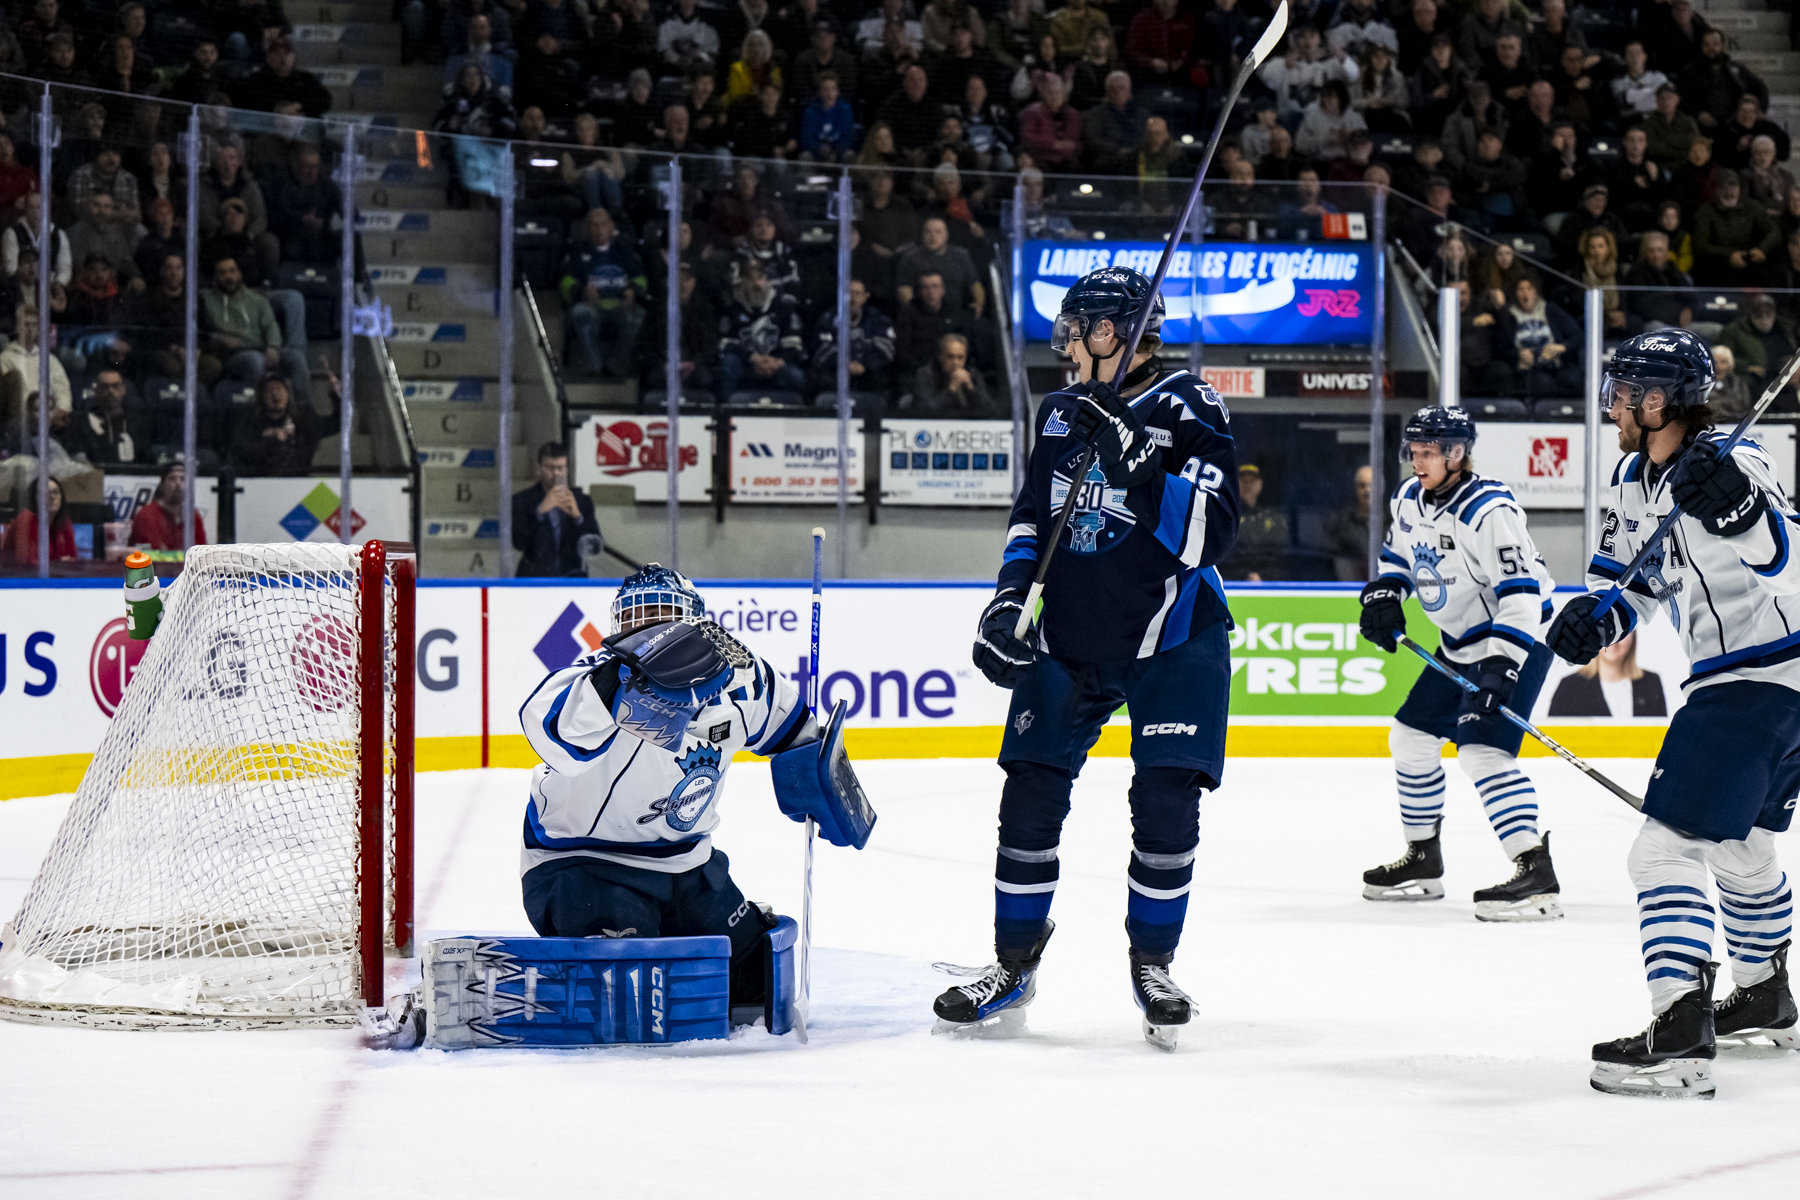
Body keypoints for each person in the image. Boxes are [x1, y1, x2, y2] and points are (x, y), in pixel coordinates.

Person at [941, 267, 1240, 1049]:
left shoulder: (1190, 405)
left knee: (1166, 802)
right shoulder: (1059, 411)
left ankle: (1153, 966)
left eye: (1076, 329)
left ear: (1111, 333)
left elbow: (1213, 535)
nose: (1066, 343)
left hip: (1173, 636)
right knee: (1029, 796)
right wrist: (1007, 603)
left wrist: (1140, 463)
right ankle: (1013, 963)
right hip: (1071, 636)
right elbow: (1032, 518)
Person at [1546, 329, 1800, 1098]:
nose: (1612, 407)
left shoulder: (1735, 463)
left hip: (1754, 683)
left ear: (1657, 401)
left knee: (1662, 853)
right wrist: (1596, 620)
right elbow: (1634, 583)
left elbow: (1790, 567)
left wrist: (1742, 515)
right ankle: (1763, 993)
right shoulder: (1634, 478)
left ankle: (1681, 1033)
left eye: (1622, 393)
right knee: (1741, 843)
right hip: (1775, 690)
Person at [515, 565, 845, 1018]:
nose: (652, 628)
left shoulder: (741, 678)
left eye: (663, 615)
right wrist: (620, 689)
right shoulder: (594, 678)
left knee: (756, 982)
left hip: (689, 866)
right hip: (582, 866)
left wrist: (819, 776)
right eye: (639, 617)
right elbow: (548, 726)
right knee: (631, 999)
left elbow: (792, 730)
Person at [1357, 407, 1561, 919]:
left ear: (1456, 453)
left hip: (1516, 640)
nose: (1417, 461)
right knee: (1410, 738)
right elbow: (1399, 561)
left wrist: (1501, 666)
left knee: (1483, 753)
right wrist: (1386, 593)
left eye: (1428, 452)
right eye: (1414, 451)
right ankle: (1424, 857)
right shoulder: (1408, 498)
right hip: (1460, 644)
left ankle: (1535, 868)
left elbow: (1521, 596)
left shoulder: (1489, 511)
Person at [202, 257, 310, 409]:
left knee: (296, 357)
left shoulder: (256, 299)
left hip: (262, 349)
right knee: (255, 361)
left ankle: (305, 411)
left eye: (232, 271)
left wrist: (273, 346)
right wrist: (221, 339)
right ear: (216, 277)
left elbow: (271, 325)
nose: (228, 277)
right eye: (222, 273)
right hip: (232, 355)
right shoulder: (206, 299)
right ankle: (260, 411)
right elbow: (203, 331)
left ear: (239, 274)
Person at [558, 208, 647, 380]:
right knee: (579, 313)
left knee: (639, 316)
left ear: (611, 226)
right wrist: (581, 291)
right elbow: (565, 281)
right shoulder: (577, 251)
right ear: (587, 228)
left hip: (620, 305)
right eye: (594, 225)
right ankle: (595, 368)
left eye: (603, 225)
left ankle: (616, 366)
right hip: (591, 305)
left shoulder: (624, 250)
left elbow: (641, 278)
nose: (599, 229)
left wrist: (633, 290)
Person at [511, 441, 603, 577]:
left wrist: (578, 517)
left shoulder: (582, 502)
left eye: (560, 468)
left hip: (573, 577)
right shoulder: (522, 500)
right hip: (535, 578)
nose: (555, 473)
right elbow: (519, 543)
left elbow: (595, 546)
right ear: (539, 469)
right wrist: (539, 512)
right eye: (549, 468)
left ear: (566, 470)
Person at [229, 374, 318, 476]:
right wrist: (271, 440)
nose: (275, 394)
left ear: (288, 394)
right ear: (262, 396)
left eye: (279, 389)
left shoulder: (299, 422)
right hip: (259, 480)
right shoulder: (250, 423)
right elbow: (242, 452)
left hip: (294, 481)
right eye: (270, 390)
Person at [1219, 463, 1287, 581]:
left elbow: (1280, 557)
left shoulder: (1273, 519)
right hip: (1232, 583)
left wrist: (1263, 575)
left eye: (1252, 481)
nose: (1248, 485)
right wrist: (1244, 575)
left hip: (1269, 584)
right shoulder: (1225, 517)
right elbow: (1223, 556)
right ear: (1235, 484)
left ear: (1260, 484)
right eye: (1243, 481)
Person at [908, 332, 996, 417]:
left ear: (965, 358)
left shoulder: (973, 374)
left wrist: (971, 388)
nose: (955, 363)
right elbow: (925, 410)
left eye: (960, 358)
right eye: (950, 357)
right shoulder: (925, 374)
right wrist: (951, 390)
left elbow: (990, 410)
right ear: (941, 357)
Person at [67, 368, 143, 466]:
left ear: (123, 390)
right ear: (96, 391)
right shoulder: (81, 423)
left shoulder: (137, 422)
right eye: (104, 387)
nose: (110, 391)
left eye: (115, 386)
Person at [126, 461, 205, 549]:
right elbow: (157, 552)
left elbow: (201, 552)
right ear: (162, 486)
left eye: (183, 479)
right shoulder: (147, 515)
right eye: (172, 478)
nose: (178, 484)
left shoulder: (194, 517)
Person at [1, 474, 75, 565]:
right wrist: (58, 564)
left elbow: (72, 560)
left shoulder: (64, 522)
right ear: (35, 498)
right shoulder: (26, 518)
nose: (52, 497)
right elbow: (25, 562)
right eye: (46, 493)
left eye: (55, 492)